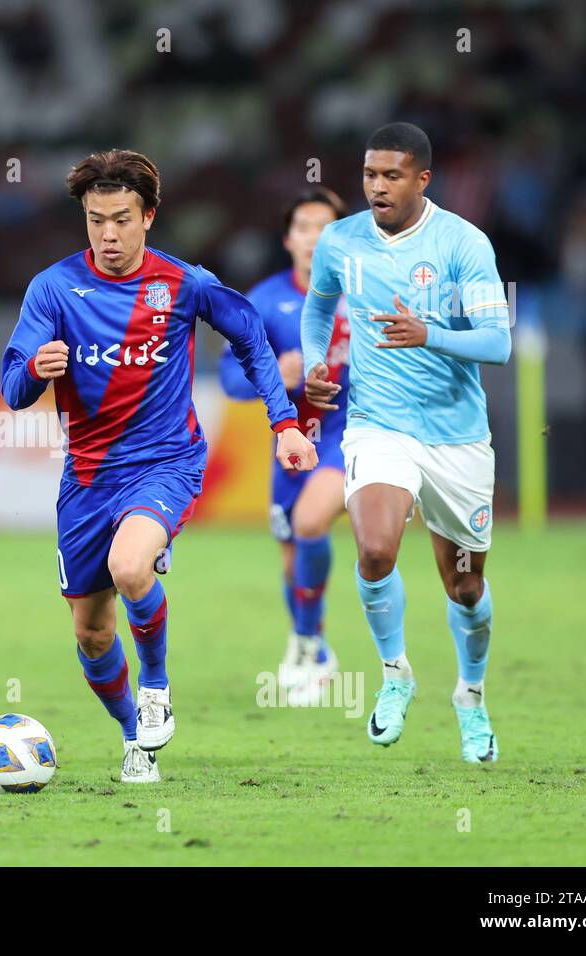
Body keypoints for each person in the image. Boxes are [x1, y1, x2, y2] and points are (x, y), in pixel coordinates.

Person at [0, 149, 317, 783]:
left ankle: (157, 685)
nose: (108, 235)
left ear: (149, 215)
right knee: (91, 635)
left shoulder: (184, 282)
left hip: (166, 462)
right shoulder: (53, 287)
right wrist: (36, 370)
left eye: (121, 219)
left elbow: (250, 335)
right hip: (87, 479)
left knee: (129, 564)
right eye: (95, 221)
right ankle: (133, 739)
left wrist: (282, 422)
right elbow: (11, 387)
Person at [301, 123, 511, 763]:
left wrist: (431, 335)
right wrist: (315, 363)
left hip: (456, 437)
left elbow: (498, 344)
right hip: (377, 425)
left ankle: (470, 698)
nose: (377, 187)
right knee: (374, 549)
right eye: (369, 175)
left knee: (466, 587)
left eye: (391, 176)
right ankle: (396, 673)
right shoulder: (341, 241)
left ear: (423, 178)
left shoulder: (462, 243)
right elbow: (318, 308)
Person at [220, 188, 350, 703]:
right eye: (305, 227)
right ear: (288, 238)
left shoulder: (364, 295)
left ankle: (306, 641)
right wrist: (273, 374)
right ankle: (315, 653)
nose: (315, 239)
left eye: (327, 229)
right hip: (291, 443)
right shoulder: (264, 300)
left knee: (311, 522)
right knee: (292, 559)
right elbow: (231, 375)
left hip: (348, 434)